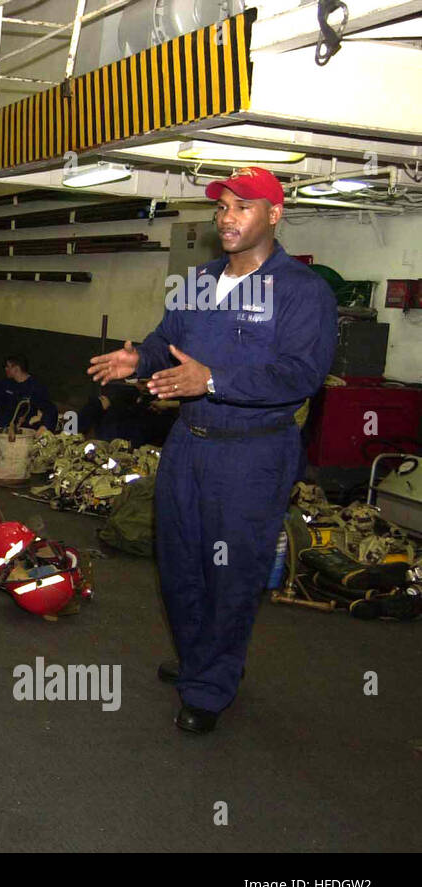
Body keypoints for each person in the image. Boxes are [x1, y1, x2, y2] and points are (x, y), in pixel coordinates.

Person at [87, 166, 337, 735]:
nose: (226, 217)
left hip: (250, 455)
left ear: (274, 215)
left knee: (232, 572)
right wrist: (139, 361)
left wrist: (215, 382)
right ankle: (202, 655)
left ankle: (210, 684)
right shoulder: (199, 279)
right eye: (221, 206)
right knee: (179, 562)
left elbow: (300, 374)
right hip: (188, 446)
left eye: (241, 206)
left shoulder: (304, 292)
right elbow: (163, 342)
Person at [0, 355, 58, 433]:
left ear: (16, 369)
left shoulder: (35, 386)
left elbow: (50, 409)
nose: (5, 369)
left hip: (24, 431)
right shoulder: (4, 383)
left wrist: (45, 426)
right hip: (3, 428)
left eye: (8, 367)